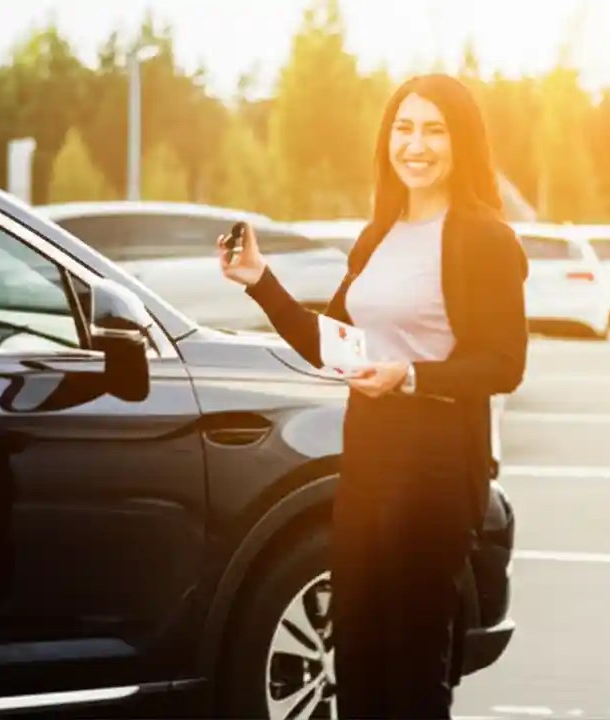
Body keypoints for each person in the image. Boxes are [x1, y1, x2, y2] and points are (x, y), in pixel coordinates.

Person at [218, 73, 529, 718]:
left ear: (461, 141)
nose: (416, 145)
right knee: (356, 657)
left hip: (438, 471)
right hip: (368, 464)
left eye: (435, 130)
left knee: (412, 672)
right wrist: (259, 280)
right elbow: (331, 344)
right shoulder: (377, 234)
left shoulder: (484, 237)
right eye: (405, 127)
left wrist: (410, 375)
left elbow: (504, 363)